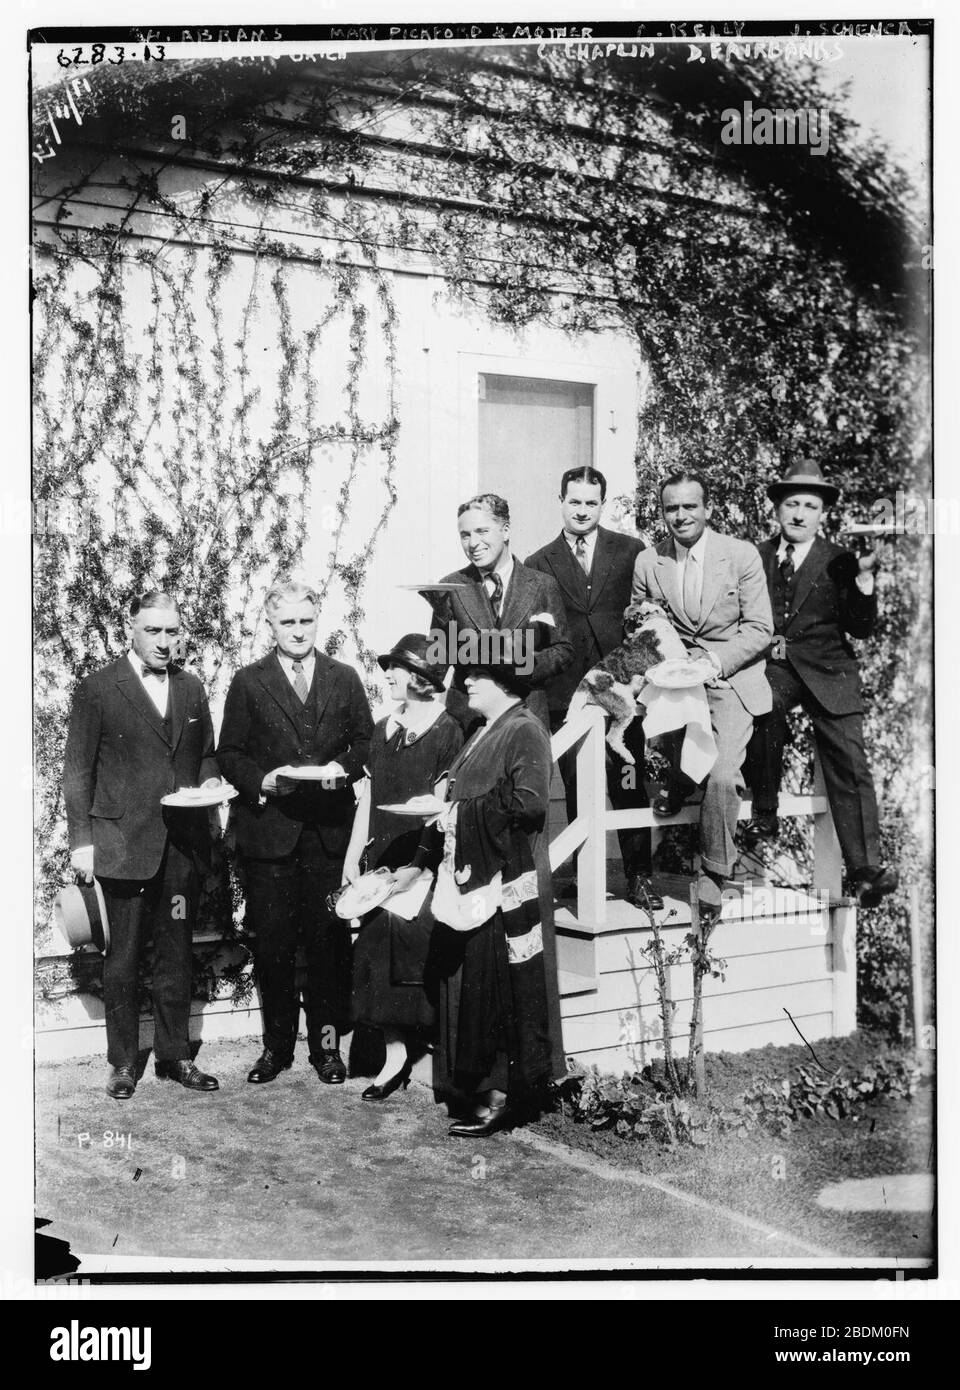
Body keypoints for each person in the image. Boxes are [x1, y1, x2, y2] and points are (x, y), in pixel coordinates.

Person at [394, 656, 567, 1137]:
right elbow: (450, 799)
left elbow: (530, 802)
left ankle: (504, 1094)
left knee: (498, 984)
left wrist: (461, 810)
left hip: (503, 880)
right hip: (472, 879)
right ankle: (474, 1084)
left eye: (478, 675)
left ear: (506, 684)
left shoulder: (524, 730)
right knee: (472, 980)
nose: (465, 680)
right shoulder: (483, 729)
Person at [63, 590, 221, 1099]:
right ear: (130, 629)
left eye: (172, 631)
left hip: (180, 849)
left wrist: (213, 784)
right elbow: (77, 770)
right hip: (121, 846)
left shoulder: (192, 688)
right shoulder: (98, 688)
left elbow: (207, 757)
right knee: (124, 957)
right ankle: (123, 1063)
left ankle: (176, 1057)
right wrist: (81, 841)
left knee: (176, 953)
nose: (164, 641)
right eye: (153, 630)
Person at [217, 580, 373, 1085]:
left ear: (316, 621)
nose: (299, 631)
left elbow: (364, 741)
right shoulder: (248, 681)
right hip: (270, 835)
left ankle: (327, 1050)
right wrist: (260, 779)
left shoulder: (343, 677)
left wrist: (343, 771)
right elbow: (230, 752)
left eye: (306, 621)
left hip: (328, 834)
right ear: (271, 625)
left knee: (328, 943)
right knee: (276, 946)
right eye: (288, 623)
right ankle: (276, 1049)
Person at [744, 461, 898, 907]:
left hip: (830, 671)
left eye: (809, 506)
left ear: (822, 514)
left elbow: (861, 628)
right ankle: (766, 814)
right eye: (791, 504)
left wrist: (866, 582)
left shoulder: (840, 561)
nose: (799, 514)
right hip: (778, 668)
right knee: (762, 707)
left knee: (850, 759)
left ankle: (866, 870)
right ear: (776, 508)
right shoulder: (753, 557)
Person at [630, 470, 774, 922]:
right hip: (675, 683)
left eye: (690, 506)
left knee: (721, 775)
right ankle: (676, 780)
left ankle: (715, 871)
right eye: (671, 508)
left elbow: (760, 630)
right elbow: (633, 621)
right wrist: (645, 619)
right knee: (666, 752)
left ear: (707, 509)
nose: (681, 516)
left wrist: (714, 663)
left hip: (730, 681)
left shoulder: (740, 555)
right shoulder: (649, 562)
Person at [525, 465, 660, 909]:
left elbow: (647, 621)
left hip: (621, 693)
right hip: (570, 696)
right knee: (579, 788)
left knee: (627, 779)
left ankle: (640, 877)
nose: (582, 511)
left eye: (591, 502)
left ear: (602, 504)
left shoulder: (630, 551)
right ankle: (587, 878)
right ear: (560, 501)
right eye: (574, 501)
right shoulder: (538, 563)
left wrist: (637, 676)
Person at [342, 634, 463, 1101]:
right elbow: (369, 799)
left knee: (406, 939)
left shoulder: (447, 730)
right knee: (373, 944)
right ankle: (394, 1055)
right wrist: (354, 856)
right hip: (381, 864)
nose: (386, 675)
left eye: (394, 667)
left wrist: (416, 869)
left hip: (425, 866)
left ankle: (420, 1046)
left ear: (418, 676)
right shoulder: (382, 728)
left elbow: (440, 810)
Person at [428, 493, 573, 729]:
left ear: (505, 531)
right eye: (465, 535)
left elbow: (564, 649)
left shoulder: (542, 585)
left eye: (482, 531)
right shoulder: (450, 587)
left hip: (526, 715)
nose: (473, 543)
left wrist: (525, 664)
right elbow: (439, 654)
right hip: (467, 718)